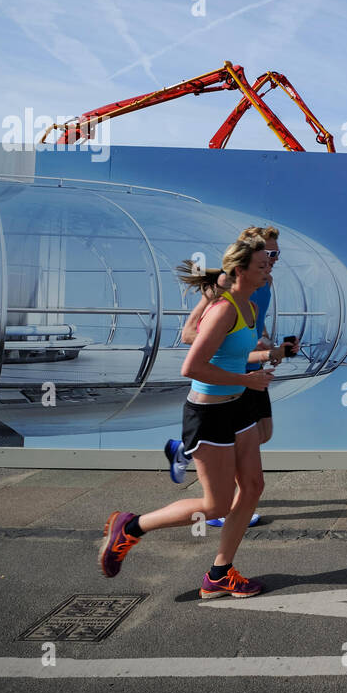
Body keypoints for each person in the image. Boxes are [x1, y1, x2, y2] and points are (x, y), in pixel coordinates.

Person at [101, 236, 273, 598]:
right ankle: (131, 527)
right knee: (217, 505)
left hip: (239, 404)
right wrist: (246, 378)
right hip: (209, 413)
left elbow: (233, 356)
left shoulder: (249, 308)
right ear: (240, 270)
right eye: (262, 263)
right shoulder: (224, 309)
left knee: (254, 486)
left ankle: (220, 573)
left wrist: (262, 361)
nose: (269, 267)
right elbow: (191, 366)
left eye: (270, 261)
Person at [164, 226, 297, 495]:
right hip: (228, 376)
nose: (273, 260)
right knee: (237, 443)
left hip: (251, 370)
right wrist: (235, 341)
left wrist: (267, 345)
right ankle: (223, 503)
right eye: (268, 253)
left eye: (276, 255)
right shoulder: (223, 285)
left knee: (263, 433)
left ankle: (185, 449)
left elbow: (252, 324)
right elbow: (189, 334)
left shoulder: (265, 283)